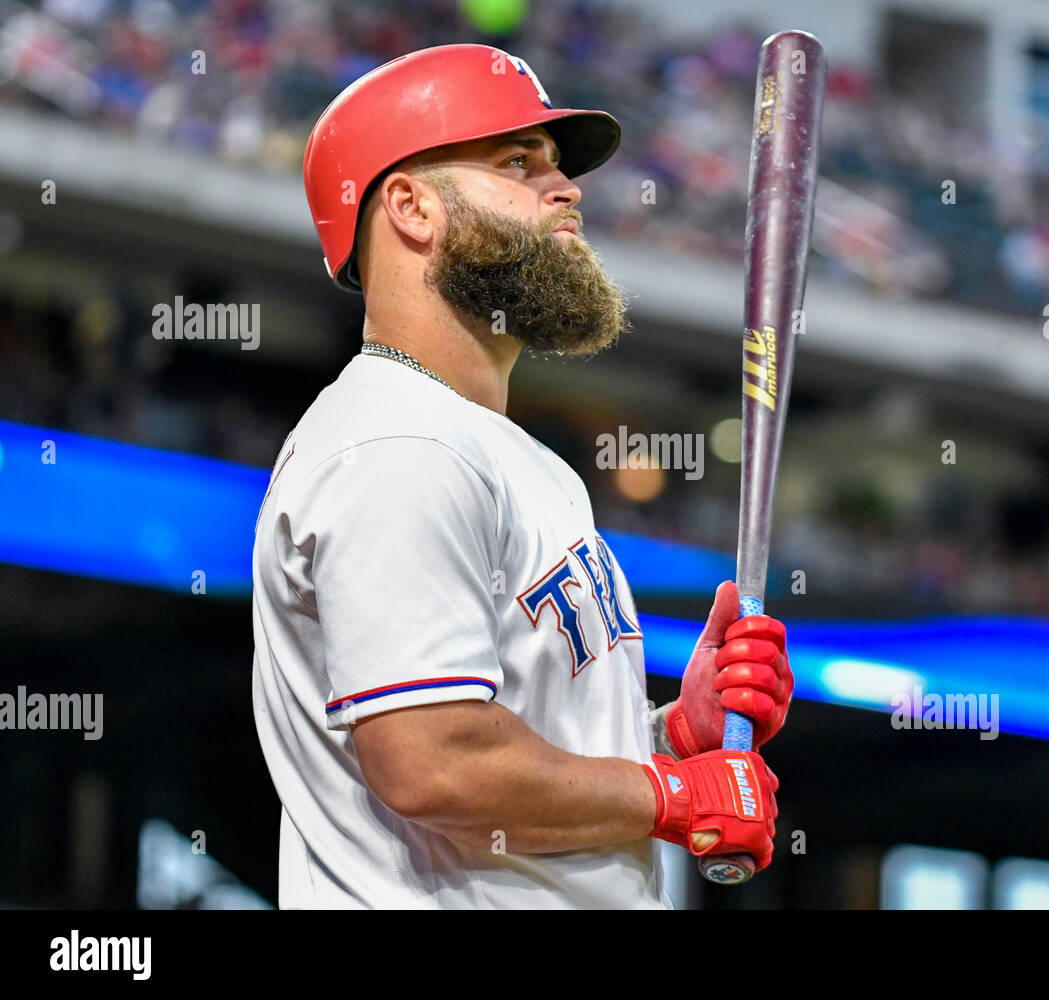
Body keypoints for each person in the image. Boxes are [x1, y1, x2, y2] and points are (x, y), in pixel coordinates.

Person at [251, 43, 794, 909]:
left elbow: (532, 763)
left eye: (557, 166)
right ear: (411, 207)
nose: (567, 187)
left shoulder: (511, 457)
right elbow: (435, 763)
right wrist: (673, 797)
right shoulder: (395, 445)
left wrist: (673, 738)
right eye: (517, 162)